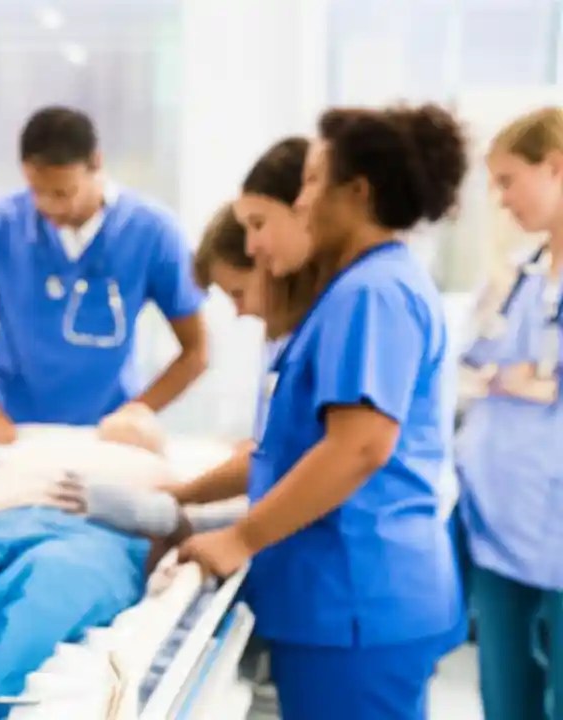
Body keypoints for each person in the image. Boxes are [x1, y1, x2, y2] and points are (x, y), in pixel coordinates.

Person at [177, 104, 469, 719]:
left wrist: (240, 537)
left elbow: (360, 446)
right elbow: (287, 449)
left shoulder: (374, 293)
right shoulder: (355, 291)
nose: (303, 200)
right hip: (341, 599)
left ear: (356, 193)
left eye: (312, 181)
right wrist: (186, 500)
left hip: (357, 600)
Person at [0, 106, 208, 445]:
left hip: (108, 434)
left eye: (63, 193)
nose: (50, 207)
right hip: (16, 431)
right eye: (37, 191)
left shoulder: (153, 232)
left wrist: (135, 414)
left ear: (96, 163)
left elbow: (196, 350)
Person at [456, 106, 563, 720]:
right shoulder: (519, 278)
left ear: (554, 169)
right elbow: (477, 362)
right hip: (501, 526)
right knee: (505, 698)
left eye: (507, 181)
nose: (500, 201)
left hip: (549, 522)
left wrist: (535, 384)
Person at [171, 136, 318, 508]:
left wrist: (179, 499)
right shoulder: (283, 343)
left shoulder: (337, 319)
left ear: (269, 265)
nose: (239, 312)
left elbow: (299, 458)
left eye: (237, 292)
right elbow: (272, 451)